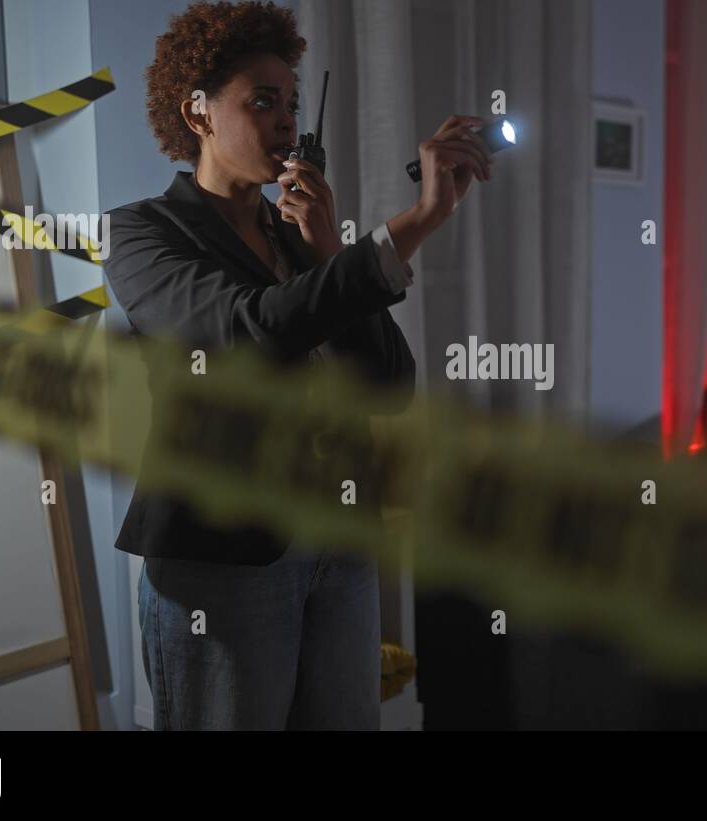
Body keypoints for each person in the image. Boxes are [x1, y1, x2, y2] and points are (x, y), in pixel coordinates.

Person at [103, 0, 494, 730]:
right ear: (198, 115)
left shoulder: (298, 238)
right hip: (225, 558)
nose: (286, 121)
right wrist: (414, 222)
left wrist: (325, 248)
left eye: (291, 101)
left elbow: (387, 384)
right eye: (262, 101)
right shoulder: (142, 234)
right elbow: (242, 332)